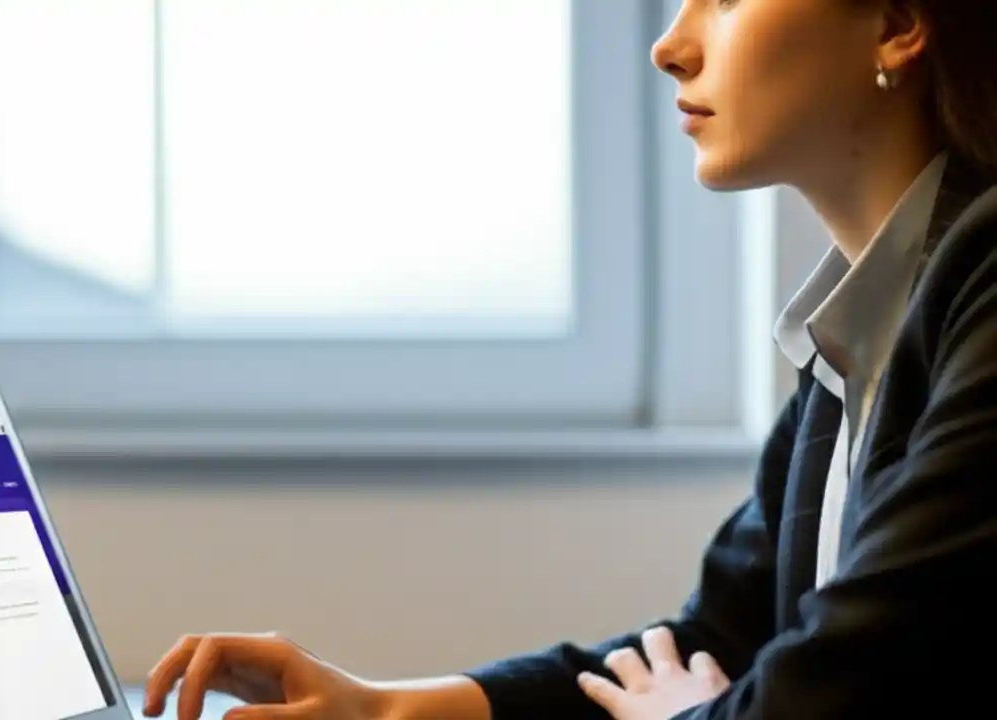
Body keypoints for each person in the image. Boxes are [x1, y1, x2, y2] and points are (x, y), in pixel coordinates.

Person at [144, 1, 997, 717]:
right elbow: (712, 642)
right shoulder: (857, 335)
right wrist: (381, 706)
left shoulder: (984, 284)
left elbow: (840, 687)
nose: (672, 46)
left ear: (894, 24)